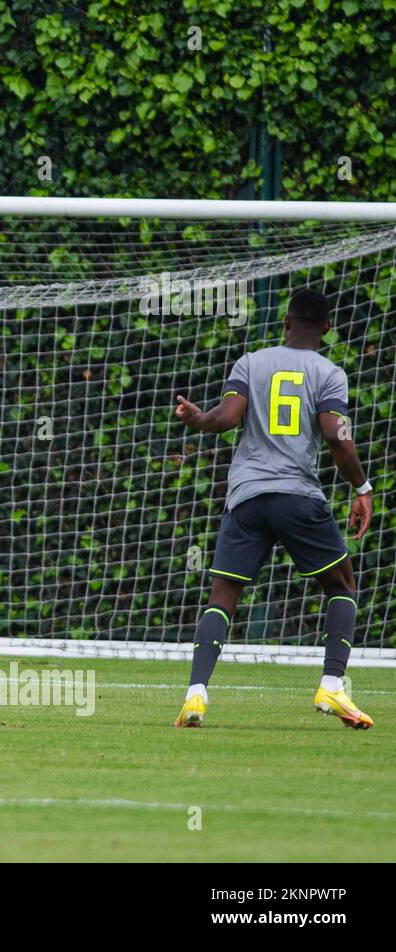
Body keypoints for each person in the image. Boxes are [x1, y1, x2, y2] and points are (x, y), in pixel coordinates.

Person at [173, 288, 374, 729]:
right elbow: (337, 438)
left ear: (285, 321)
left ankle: (195, 695)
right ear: (326, 327)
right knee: (341, 584)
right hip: (296, 495)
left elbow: (224, 419)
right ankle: (333, 686)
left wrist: (195, 417)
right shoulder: (330, 373)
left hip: (245, 496)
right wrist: (362, 486)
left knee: (223, 594)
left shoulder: (251, 362)